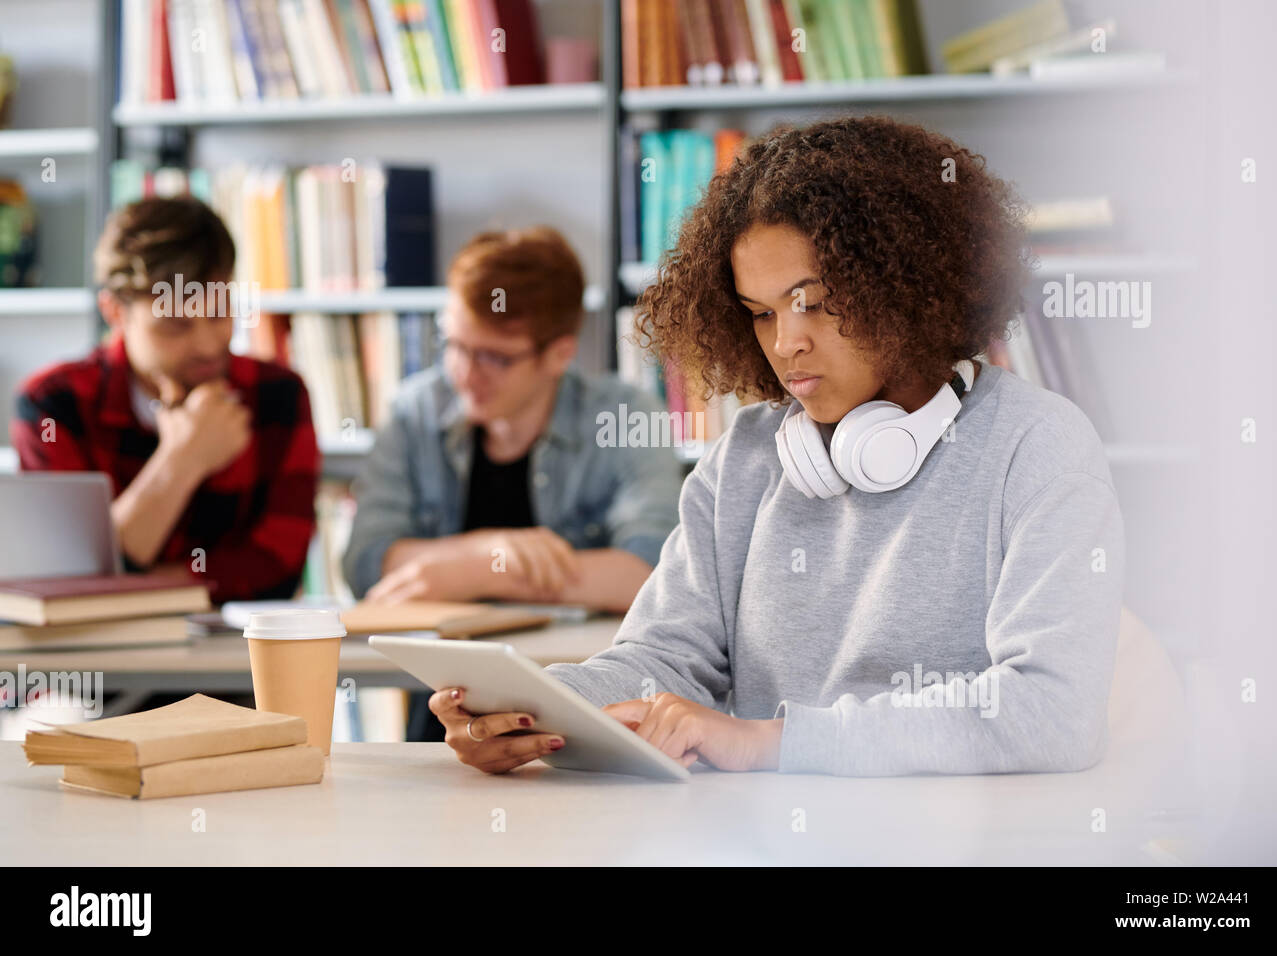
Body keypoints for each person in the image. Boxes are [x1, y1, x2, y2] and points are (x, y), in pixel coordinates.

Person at [429, 115, 1127, 777]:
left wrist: (774, 743)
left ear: (907, 287)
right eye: (760, 313)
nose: (784, 342)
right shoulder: (748, 457)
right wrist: (535, 710)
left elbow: (1052, 712)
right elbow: (665, 658)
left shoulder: (1037, 446)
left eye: (813, 301)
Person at [342, 226, 683, 741]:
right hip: (444, 705)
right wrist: (489, 551)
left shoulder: (627, 415)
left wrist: (471, 573)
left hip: (587, 702)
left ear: (559, 354)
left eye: (494, 357)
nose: (464, 372)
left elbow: (650, 575)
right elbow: (368, 563)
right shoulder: (415, 411)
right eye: (453, 344)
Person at [11, 196, 320, 604]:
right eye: (176, 325)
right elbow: (69, 581)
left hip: (237, 657)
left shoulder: (279, 393)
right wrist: (182, 460)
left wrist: (135, 585)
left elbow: (278, 569)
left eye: (219, 314)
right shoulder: (53, 404)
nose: (209, 346)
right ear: (114, 313)